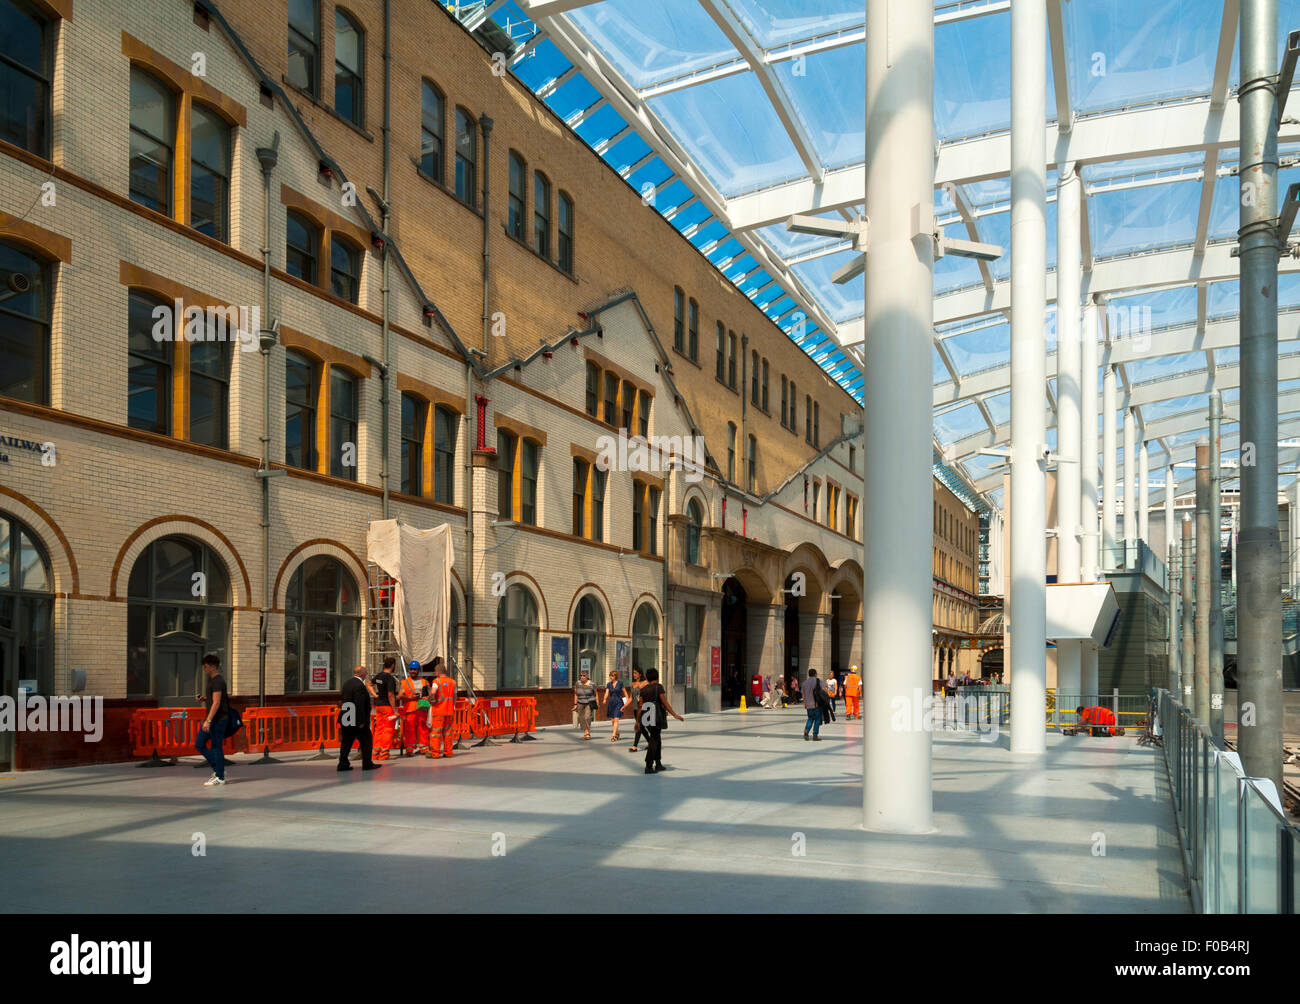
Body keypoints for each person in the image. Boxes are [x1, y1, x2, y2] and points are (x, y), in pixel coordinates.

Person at [631, 668, 682, 773]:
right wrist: (675, 714)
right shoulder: (659, 687)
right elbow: (664, 702)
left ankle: (658, 763)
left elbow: (640, 706)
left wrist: (637, 721)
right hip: (655, 716)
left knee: (656, 739)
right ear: (657, 677)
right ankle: (648, 765)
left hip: (646, 716)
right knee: (654, 740)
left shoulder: (643, 690)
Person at [338, 665, 382, 772]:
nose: (366, 674)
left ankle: (342, 764)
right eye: (365, 672)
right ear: (361, 673)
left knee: (346, 742)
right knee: (366, 740)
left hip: (346, 716)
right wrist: (361, 721)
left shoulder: (346, 683)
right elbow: (359, 704)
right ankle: (367, 763)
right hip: (356, 718)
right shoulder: (359, 686)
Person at [196, 653, 229, 787]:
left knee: (216, 747)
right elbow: (214, 700)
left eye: (205, 666)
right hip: (214, 719)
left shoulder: (217, 681)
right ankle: (219, 770)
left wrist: (208, 721)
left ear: (213, 666)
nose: (204, 669)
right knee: (199, 744)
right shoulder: (213, 681)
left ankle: (220, 776)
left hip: (217, 720)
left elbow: (216, 703)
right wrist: (204, 699)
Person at [370, 656, 400, 761]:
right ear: (393, 665)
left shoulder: (378, 676)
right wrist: (395, 710)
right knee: (388, 729)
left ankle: (375, 752)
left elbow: (369, 684)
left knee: (378, 729)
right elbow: (391, 694)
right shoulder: (389, 678)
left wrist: (375, 695)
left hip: (378, 706)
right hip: (387, 706)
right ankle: (384, 753)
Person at [427, 660, 457, 758]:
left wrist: (429, 699)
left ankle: (435, 753)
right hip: (449, 711)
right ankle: (448, 752)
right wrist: (453, 705)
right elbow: (455, 696)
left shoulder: (437, 681)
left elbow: (433, 692)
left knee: (436, 732)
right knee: (448, 732)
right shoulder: (453, 682)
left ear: (437, 672)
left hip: (439, 710)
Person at [399, 660, 429, 755]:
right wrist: (409, 697)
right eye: (411, 669)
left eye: (415, 669)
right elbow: (399, 696)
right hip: (410, 709)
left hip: (422, 708)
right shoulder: (405, 682)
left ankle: (424, 747)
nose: (413, 671)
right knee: (409, 730)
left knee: (423, 728)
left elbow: (431, 694)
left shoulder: (425, 682)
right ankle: (409, 748)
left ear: (418, 670)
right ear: (409, 670)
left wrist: (427, 697)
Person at [802, 668, 826, 741]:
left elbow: (803, 695)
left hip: (808, 705)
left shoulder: (804, 683)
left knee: (810, 718)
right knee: (817, 720)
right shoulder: (818, 681)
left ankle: (806, 730)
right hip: (817, 704)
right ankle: (815, 735)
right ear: (815, 674)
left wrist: (805, 703)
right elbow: (824, 691)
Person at [573, 668, 598, 740]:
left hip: (589, 702)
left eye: (583, 675)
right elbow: (575, 694)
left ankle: (587, 733)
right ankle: (585, 732)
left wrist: (597, 702)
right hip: (580, 702)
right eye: (581, 675)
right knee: (581, 718)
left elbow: (596, 694)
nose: (582, 677)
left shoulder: (592, 684)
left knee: (587, 717)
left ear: (587, 676)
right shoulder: (577, 683)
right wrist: (575, 704)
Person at [605, 670, 626, 743]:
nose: (611, 677)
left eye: (613, 675)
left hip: (619, 702)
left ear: (616, 676)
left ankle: (613, 736)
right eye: (610, 675)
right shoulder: (608, 684)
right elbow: (607, 693)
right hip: (611, 703)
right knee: (613, 720)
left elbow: (625, 693)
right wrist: (604, 699)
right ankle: (617, 733)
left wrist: (625, 704)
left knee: (616, 719)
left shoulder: (620, 683)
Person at [627, 668, 645, 752]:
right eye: (633, 673)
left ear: (640, 674)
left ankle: (634, 746)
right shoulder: (632, 684)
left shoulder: (644, 683)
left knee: (639, 726)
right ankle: (650, 742)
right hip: (635, 708)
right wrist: (624, 706)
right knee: (642, 728)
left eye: (635, 673)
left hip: (642, 708)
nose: (634, 675)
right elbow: (631, 698)